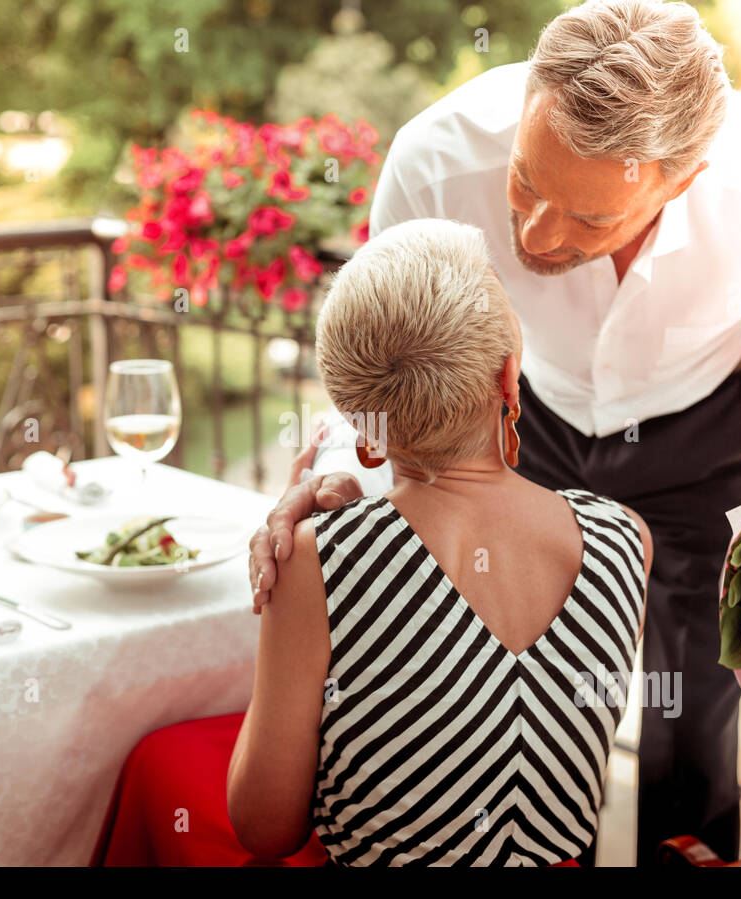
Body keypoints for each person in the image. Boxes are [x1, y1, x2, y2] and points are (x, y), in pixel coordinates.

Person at [248, 0, 741, 865]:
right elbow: (385, 341)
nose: (538, 237)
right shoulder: (434, 157)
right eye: (525, 185)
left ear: (681, 176)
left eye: (589, 219)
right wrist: (334, 472)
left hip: (710, 432)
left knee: (688, 710)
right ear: (528, 105)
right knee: (468, 693)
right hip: (518, 418)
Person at [223, 218, 652, 865]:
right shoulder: (625, 539)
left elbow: (264, 828)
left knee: (159, 761)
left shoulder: (317, 563)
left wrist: (316, 557)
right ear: (509, 380)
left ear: (363, 435)